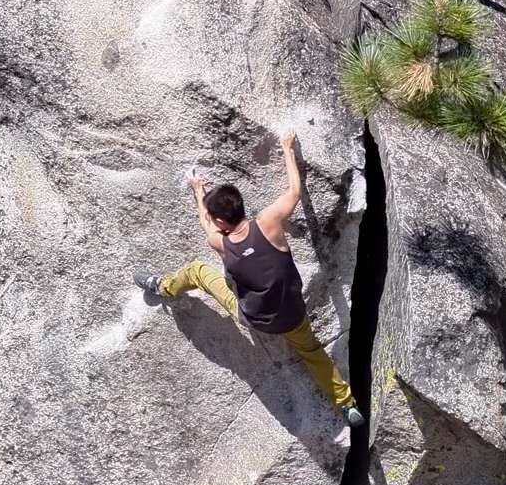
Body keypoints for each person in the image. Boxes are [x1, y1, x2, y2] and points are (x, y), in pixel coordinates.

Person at [134, 130, 364, 431]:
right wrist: (287, 149)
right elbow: (295, 191)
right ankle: (346, 404)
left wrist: (198, 190)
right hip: (293, 317)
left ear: (220, 222)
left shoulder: (221, 243)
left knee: (198, 271)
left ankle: (162, 287)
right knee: (313, 354)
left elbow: (206, 222)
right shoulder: (268, 223)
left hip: (253, 318)